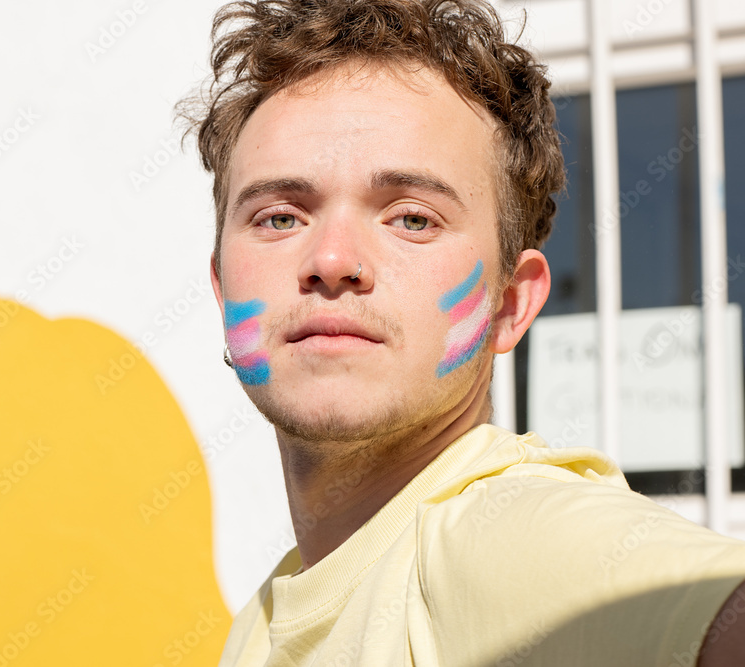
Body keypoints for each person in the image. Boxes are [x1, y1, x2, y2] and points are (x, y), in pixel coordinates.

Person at [178, 0, 745, 664]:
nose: (331, 261)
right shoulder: (261, 621)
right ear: (224, 291)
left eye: (412, 217)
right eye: (279, 217)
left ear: (511, 303)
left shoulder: (505, 538)